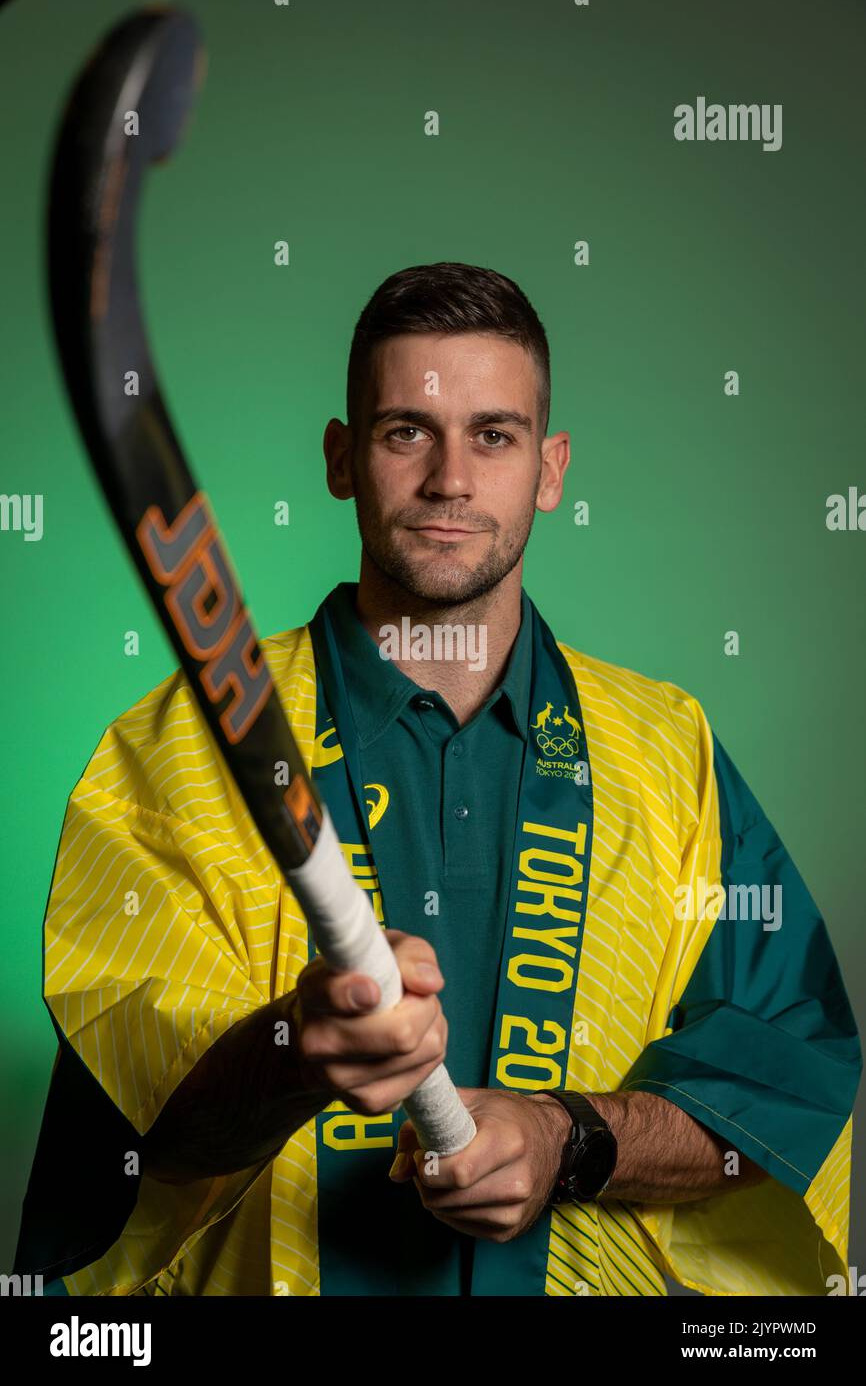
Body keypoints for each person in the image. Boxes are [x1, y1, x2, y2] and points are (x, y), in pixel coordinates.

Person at [16, 262, 861, 1297]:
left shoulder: (666, 746)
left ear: (549, 470)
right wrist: (294, 1047)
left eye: (493, 435)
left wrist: (568, 1138)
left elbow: (786, 1076)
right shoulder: (177, 748)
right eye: (405, 431)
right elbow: (133, 1127)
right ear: (340, 457)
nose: (450, 478)